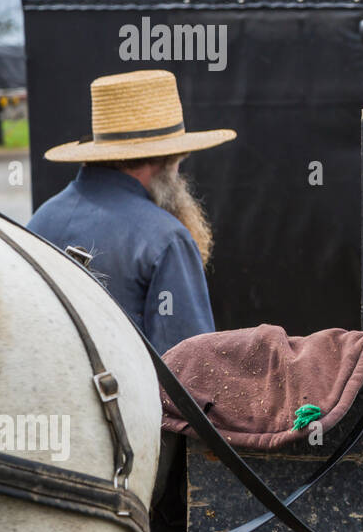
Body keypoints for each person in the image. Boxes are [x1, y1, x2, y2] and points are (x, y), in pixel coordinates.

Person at [27, 69, 235, 355]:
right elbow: (193, 369)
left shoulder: (40, 220)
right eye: (178, 160)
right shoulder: (166, 238)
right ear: (163, 161)